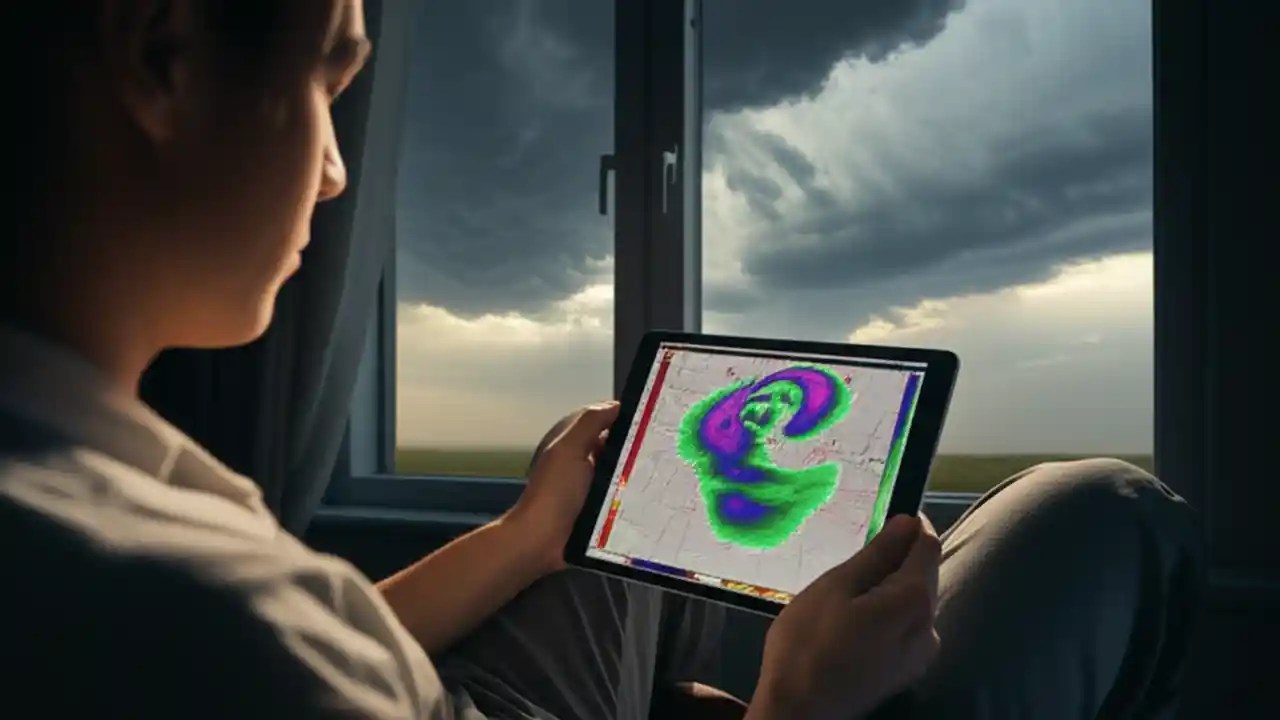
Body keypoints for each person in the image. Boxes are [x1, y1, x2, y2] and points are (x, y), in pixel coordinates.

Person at [0, 1, 1204, 718]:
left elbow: (329, 623)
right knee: (1097, 510)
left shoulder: (99, 497)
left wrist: (527, 534)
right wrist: (793, 708)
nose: (333, 170)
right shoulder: (199, 623)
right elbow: (277, 640)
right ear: (163, 57)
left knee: (607, 492)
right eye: (327, 81)